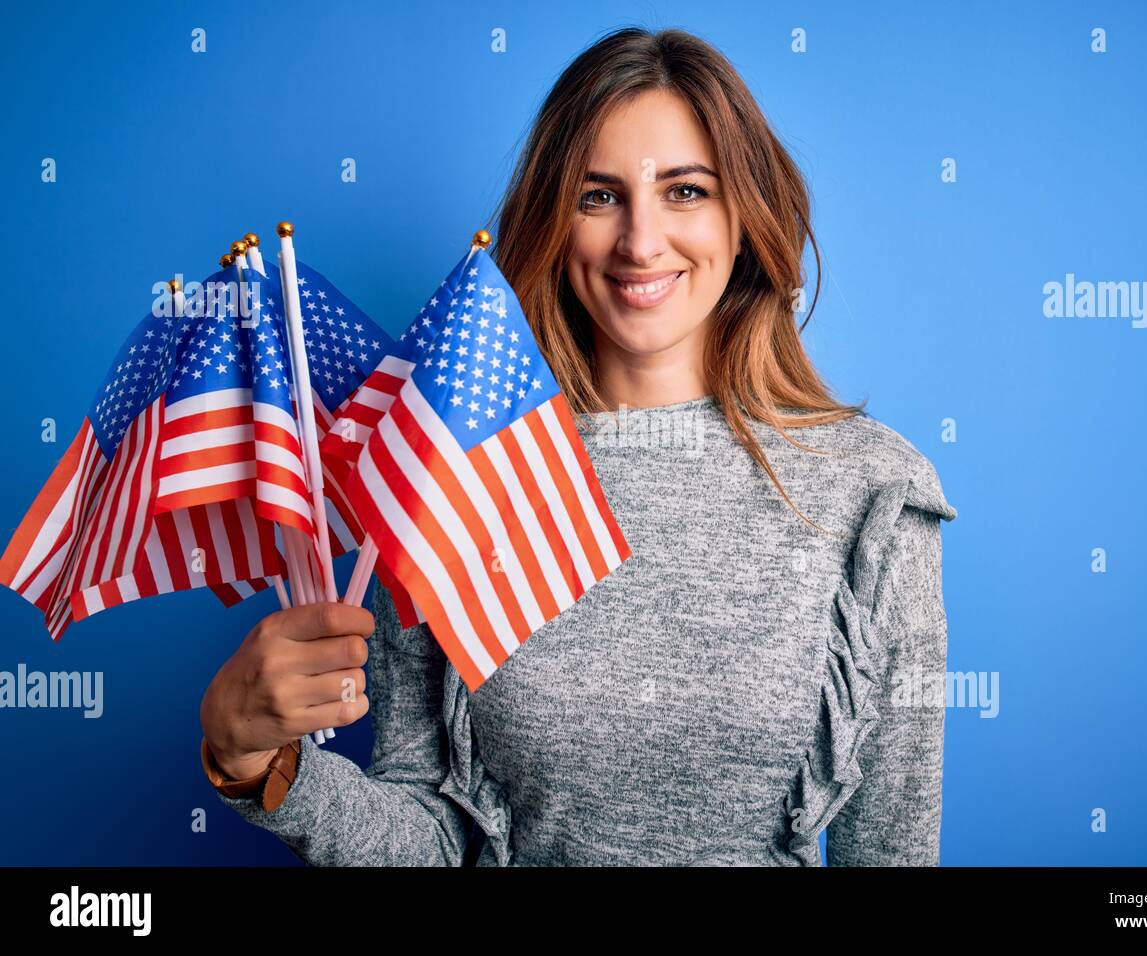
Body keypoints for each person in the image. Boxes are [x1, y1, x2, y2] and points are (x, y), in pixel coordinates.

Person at [198, 25, 957, 866]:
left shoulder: (872, 492)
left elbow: (891, 849)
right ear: (558, 225)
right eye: (599, 197)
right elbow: (433, 835)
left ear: (745, 217)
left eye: (685, 191)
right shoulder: (447, 468)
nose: (639, 241)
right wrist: (260, 765)